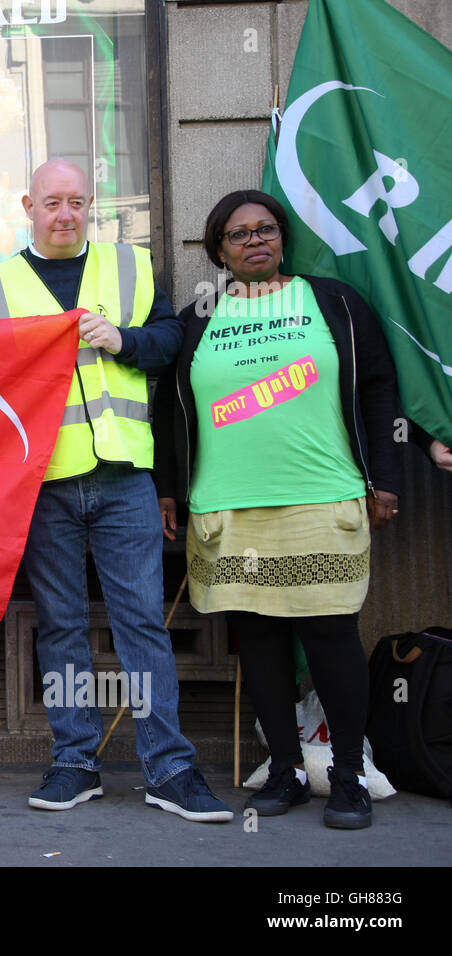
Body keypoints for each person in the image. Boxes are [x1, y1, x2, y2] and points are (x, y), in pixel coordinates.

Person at [0, 158, 232, 822]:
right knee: (59, 628)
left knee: (142, 625)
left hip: (123, 481)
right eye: (53, 201)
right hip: (42, 486)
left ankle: (169, 770)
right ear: (28, 205)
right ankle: (74, 762)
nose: (66, 213)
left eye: (78, 201)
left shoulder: (131, 268)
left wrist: (124, 339)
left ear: (91, 205)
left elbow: (172, 341)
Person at [153, 189, 401, 829]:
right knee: (258, 639)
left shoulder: (334, 302)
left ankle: (347, 775)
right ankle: (287, 770)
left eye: (266, 229)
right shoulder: (198, 318)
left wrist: (386, 478)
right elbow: (169, 411)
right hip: (228, 508)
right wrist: (169, 488)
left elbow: (377, 388)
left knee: (331, 635)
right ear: (218, 251)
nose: (255, 240)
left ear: (282, 238)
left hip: (324, 497)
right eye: (239, 235)